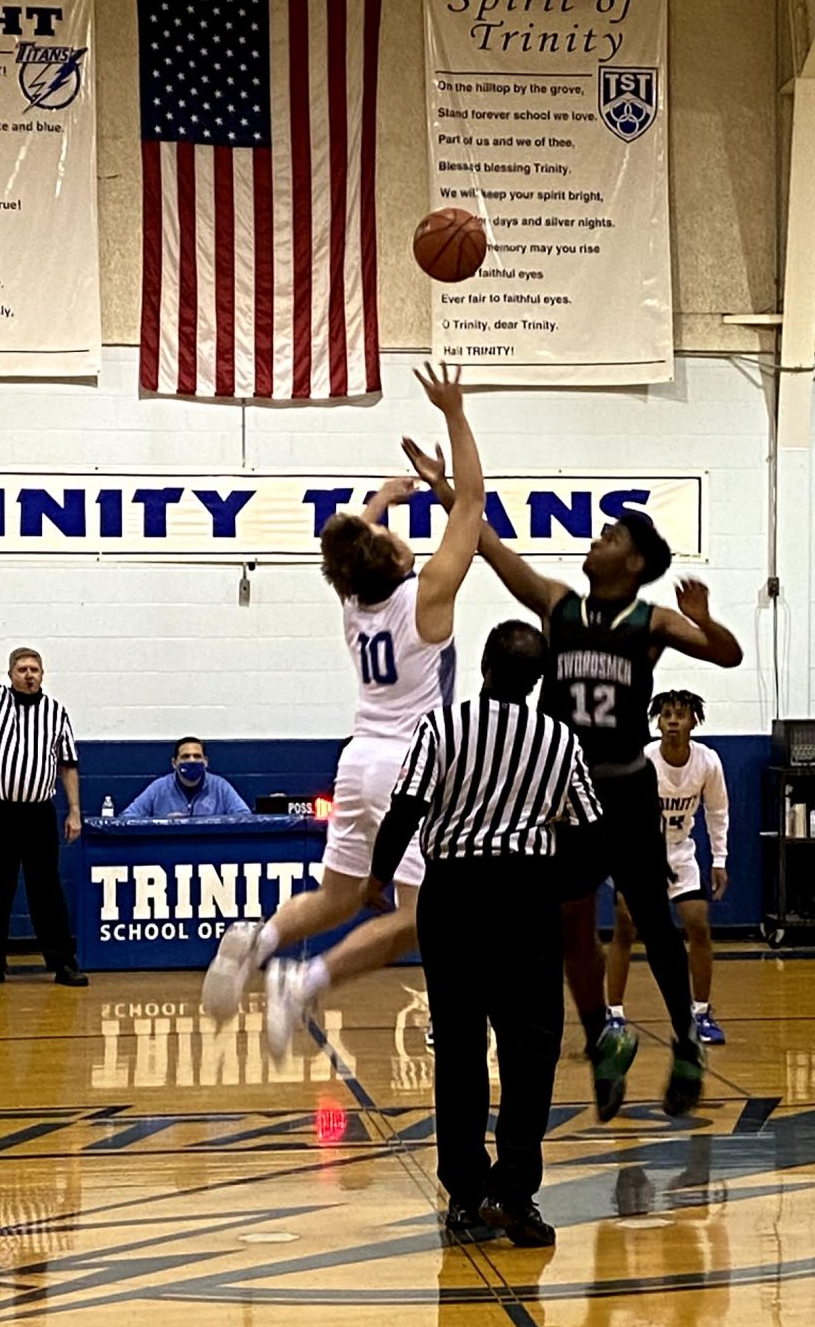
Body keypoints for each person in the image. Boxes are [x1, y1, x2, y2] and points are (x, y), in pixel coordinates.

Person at [404, 440, 742, 1121]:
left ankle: (683, 1043)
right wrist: (448, 495)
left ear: (636, 562)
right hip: (561, 794)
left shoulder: (652, 622)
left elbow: (728, 656)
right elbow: (493, 551)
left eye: (610, 535)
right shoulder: (557, 605)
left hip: (623, 784)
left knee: (652, 918)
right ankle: (603, 1039)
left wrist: (703, 618)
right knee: (571, 924)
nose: (597, 539)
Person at [201, 363, 484, 1050]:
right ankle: (307, 980)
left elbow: (349, 542)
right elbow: (471, 504)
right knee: (419, 918)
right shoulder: (425, 598)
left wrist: (381, 500)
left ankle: (259, 938)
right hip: (410, 769)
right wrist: (454, 411)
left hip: (357, 759)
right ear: (395, 559)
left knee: (342, 894)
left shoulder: (353, 601)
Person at [365, 621, 601, 1248]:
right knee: (533, 1050)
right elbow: (589, 828)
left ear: (485, 667)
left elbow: (407, 806)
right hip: (527, 899)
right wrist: (558, 886)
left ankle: (466, 1199)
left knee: (462, 1050)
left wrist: (378, 877)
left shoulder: (442, 729)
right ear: (536, 680)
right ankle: (516, 1193)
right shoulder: (560, 739)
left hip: (455, 899)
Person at [0, 582, 87, 988]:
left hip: (37, 814)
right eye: (22, 670)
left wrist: (75, 811)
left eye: (35, 669)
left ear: (42, 674)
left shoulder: (56, 711)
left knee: (46, 891)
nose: (29, 675)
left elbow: (67, 764)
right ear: (11, 675)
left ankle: (63, 963)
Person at [607, 689, 729, 1047]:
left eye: (680, 714)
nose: (673, 721)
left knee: (698, 923)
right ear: (657, 722)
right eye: (666, 715)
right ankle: (613, 1014)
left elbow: (717, 812)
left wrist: (719, 860)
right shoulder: (642, 759)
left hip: (679, 852)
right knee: (625, 928)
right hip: (639, 853)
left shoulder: (707, 762)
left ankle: (702, 1011)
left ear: (694, 721)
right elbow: (616, 812)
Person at [119, 737, 251, 820]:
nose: (192, 760)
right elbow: (127, 818)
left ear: (206, 762)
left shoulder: (221, 787)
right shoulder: (158, 788)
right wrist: (162, 824)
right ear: (174, 763)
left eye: (197, 756)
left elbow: (245, 817)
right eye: (185, 756)